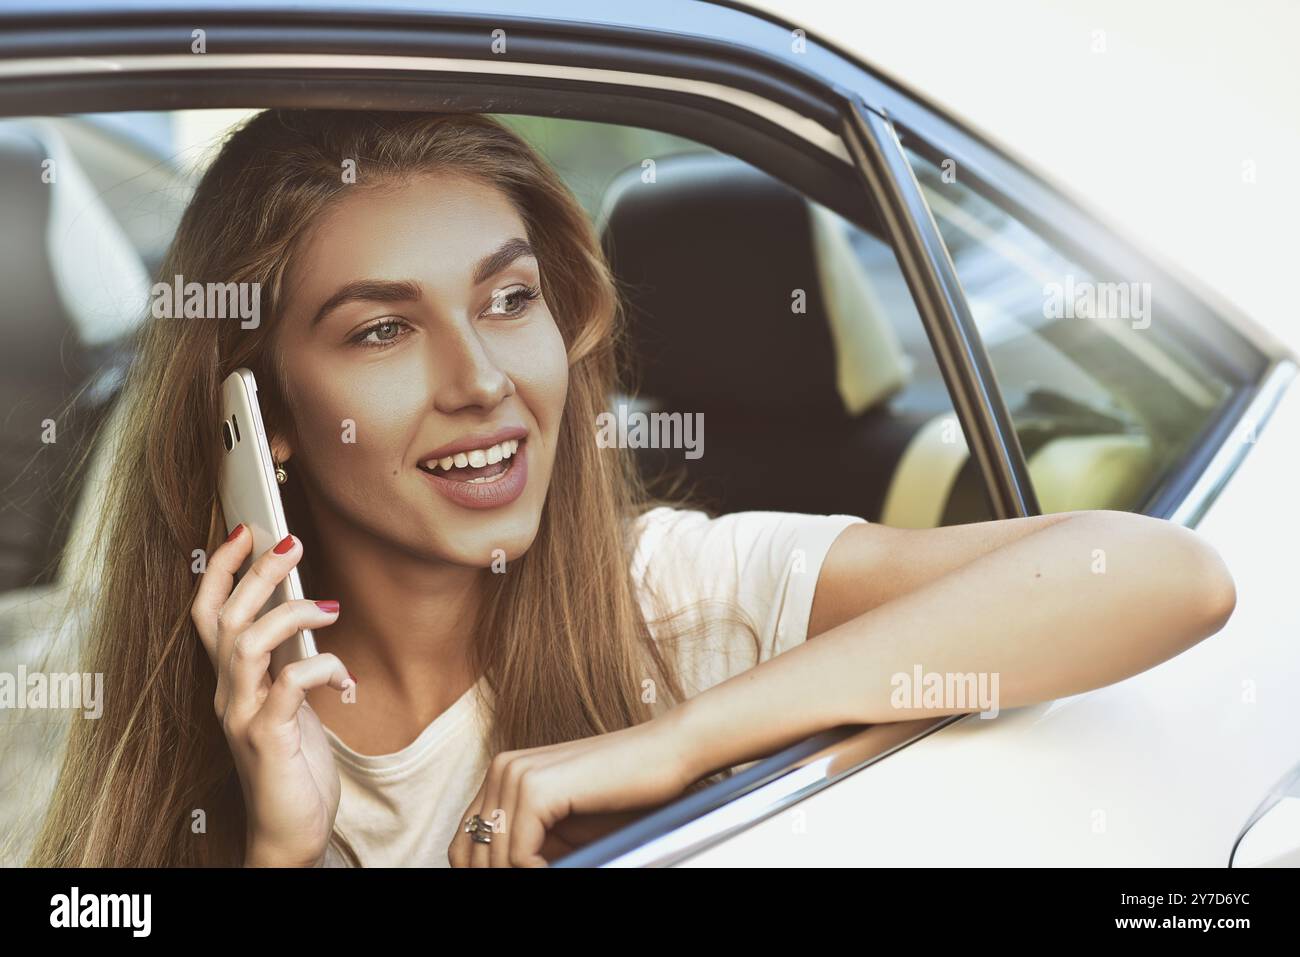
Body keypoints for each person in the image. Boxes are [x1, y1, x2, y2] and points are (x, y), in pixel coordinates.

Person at [25, 109, 1237, 868]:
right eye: (384, 332)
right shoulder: (201, 705)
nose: (484, 379)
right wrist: (279, 849)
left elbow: (1163, 574)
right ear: (266, 420)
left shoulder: (674, 594)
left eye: (510, 301)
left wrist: (677, 746)